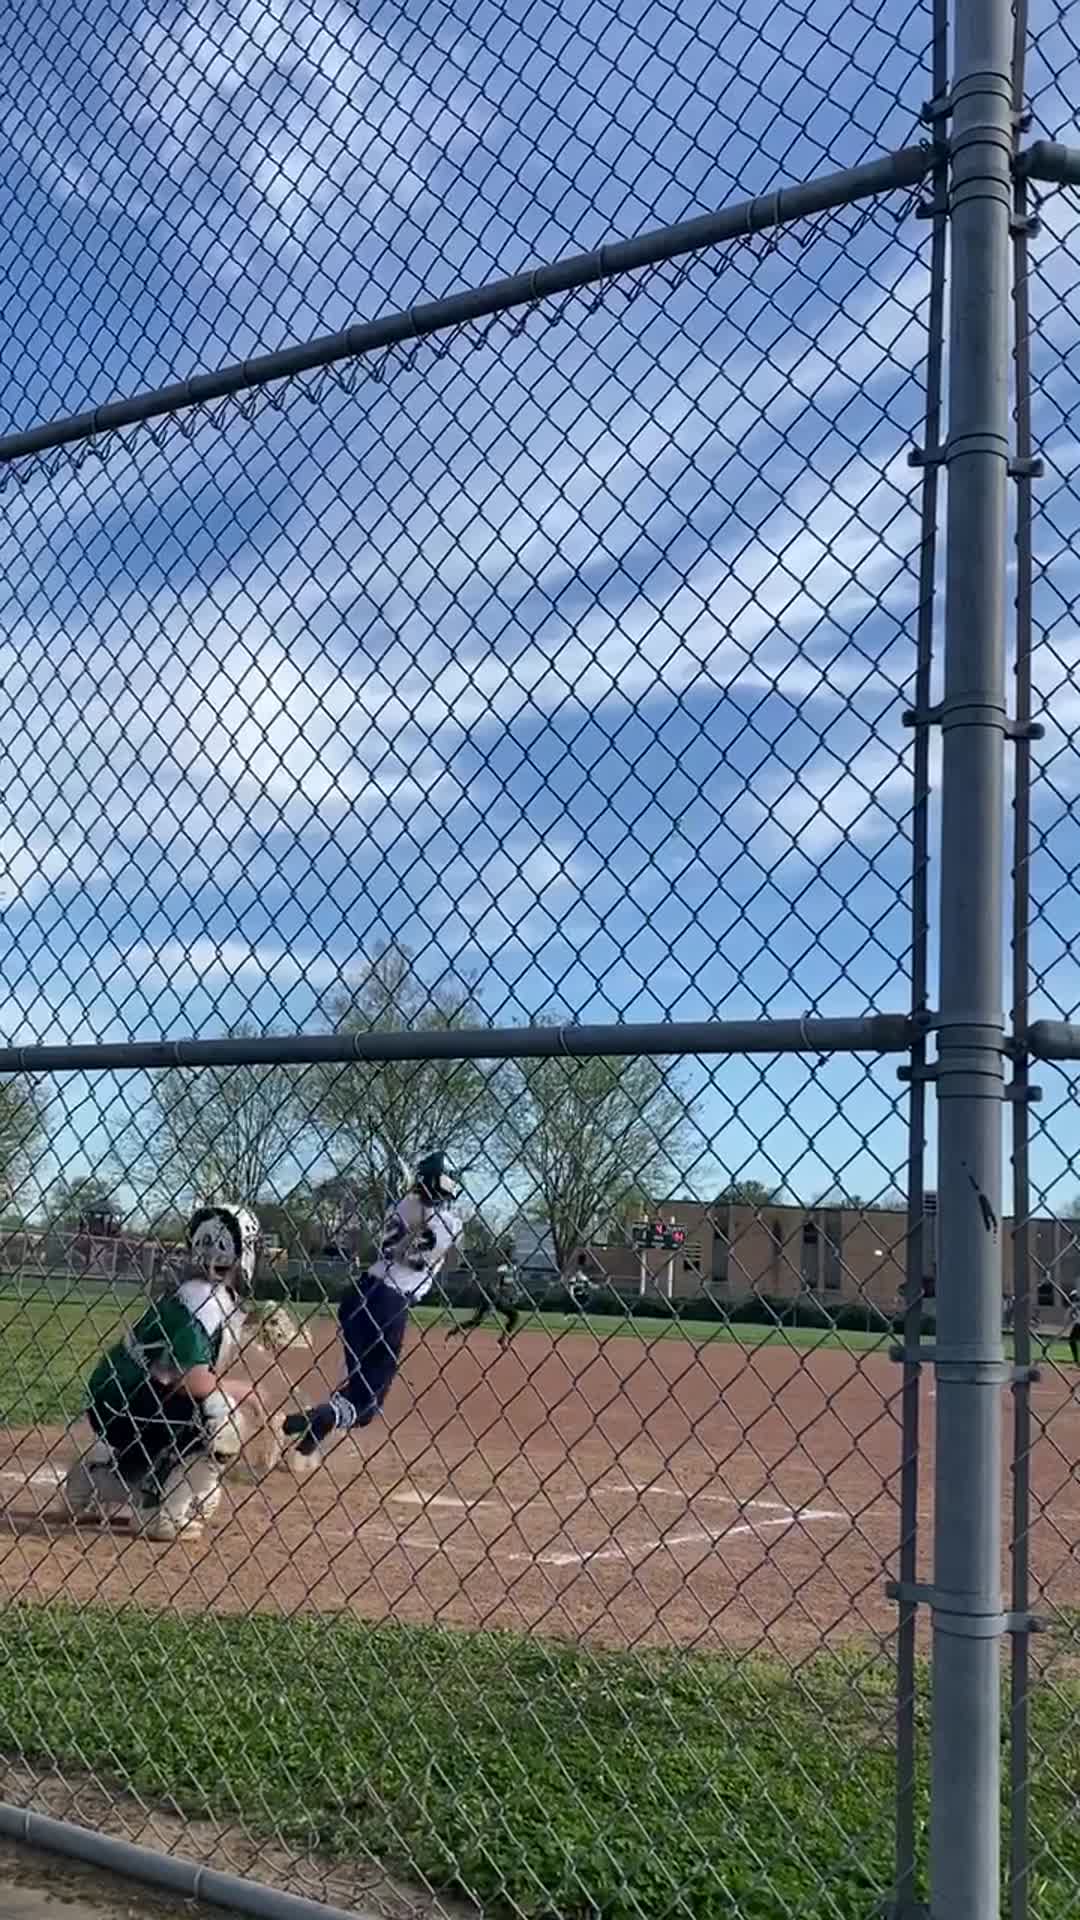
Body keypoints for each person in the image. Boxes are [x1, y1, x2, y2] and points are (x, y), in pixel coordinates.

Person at [61, 1203, 262, 1542]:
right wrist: (244, 1390)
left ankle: (99, 1482)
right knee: (223, 1416)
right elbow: (195, 1381)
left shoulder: (200, 1294)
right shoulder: (201, 1301)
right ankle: (158, 1512)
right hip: (126, 1403)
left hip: (122, 1401)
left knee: (204, 1492)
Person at [282, 1151, 463, 1466]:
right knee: (365, 1406)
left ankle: (303, 1441)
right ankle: (322, 1416)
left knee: (354, 1385)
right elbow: (428, 1255)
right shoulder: (446, 1222)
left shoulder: (404, 1206)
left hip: (360, 1294)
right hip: (389, 1304)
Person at [447, 1264, 521, 1349]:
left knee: (514, 1316)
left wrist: (511, 1294)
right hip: (491, 1297)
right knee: (476, 1321)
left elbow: (505, 1285)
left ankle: (502, 1340)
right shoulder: (502, 1268)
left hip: (499, 1299)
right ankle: (454, 1331)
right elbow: (496, 1282)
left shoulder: (511, 1272)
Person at [1068, 1290, 1080, 1365]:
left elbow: (1071, 1313)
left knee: (1072, 1340)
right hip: (1077, 1324)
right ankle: (1076, 1361)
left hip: (1078, 1325)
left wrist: (1073, 1317)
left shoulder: (1075, 1303)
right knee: (1072, 1340)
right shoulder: (1075, 1304)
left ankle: (1076, 1360)